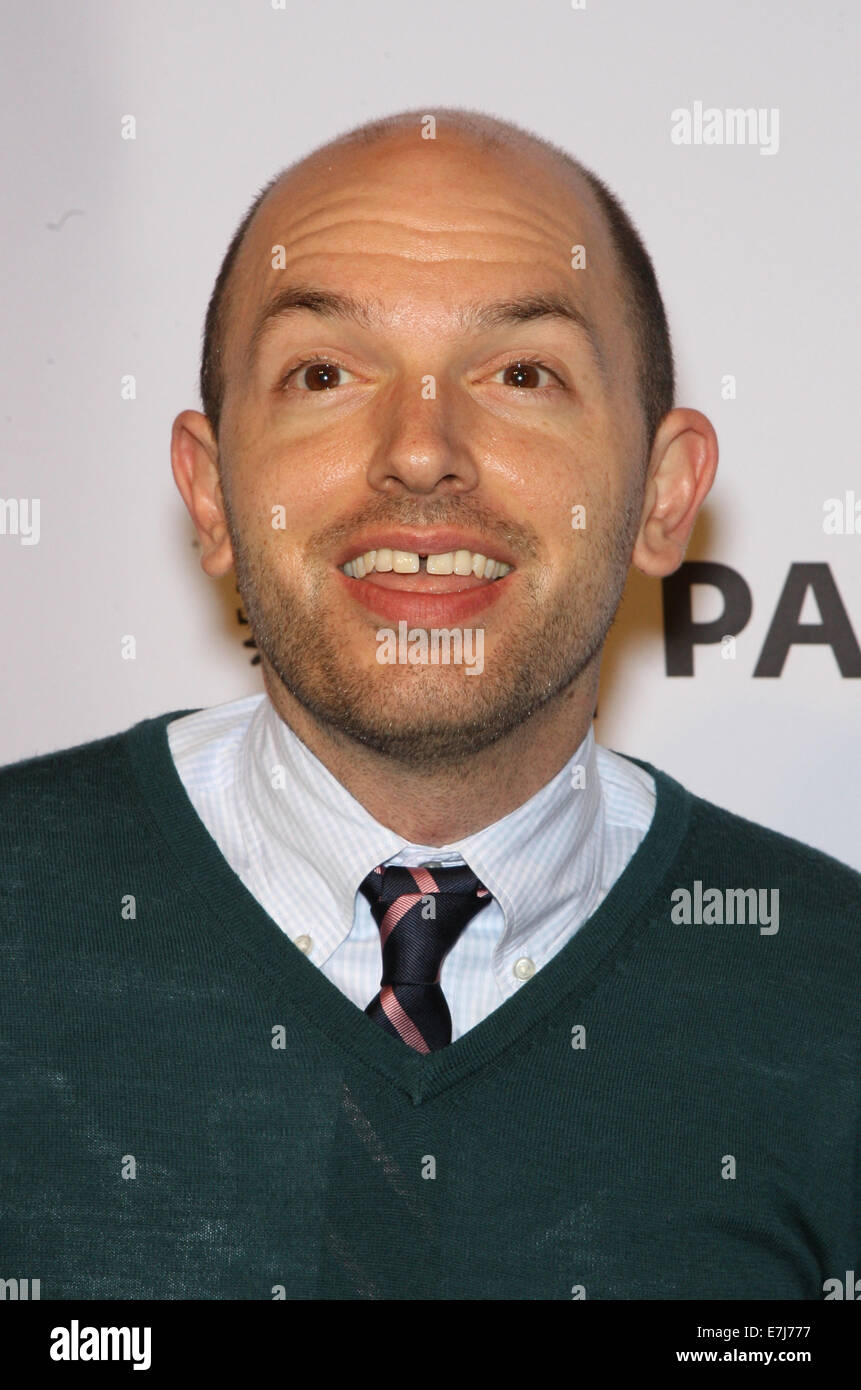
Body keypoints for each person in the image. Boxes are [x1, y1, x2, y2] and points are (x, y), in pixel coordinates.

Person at [1, 108, 857, 1301]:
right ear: (208, 492)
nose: (419, 450)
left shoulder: (834, 991)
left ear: (666, 497)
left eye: (521, 373)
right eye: (323, 373)